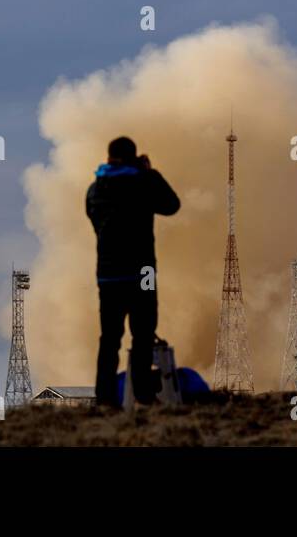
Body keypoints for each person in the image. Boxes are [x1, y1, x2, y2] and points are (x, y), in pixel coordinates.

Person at [86, 136, 180, 407]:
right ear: (134, 157)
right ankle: (143, 395)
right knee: (143, 332)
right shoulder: (143, 182)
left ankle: (104, 398)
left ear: (109, 157)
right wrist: (150, 173)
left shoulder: (94, 189)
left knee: (109, 338)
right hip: (144, 273)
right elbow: (172, 205)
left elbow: (93, 220)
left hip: (108, 275)